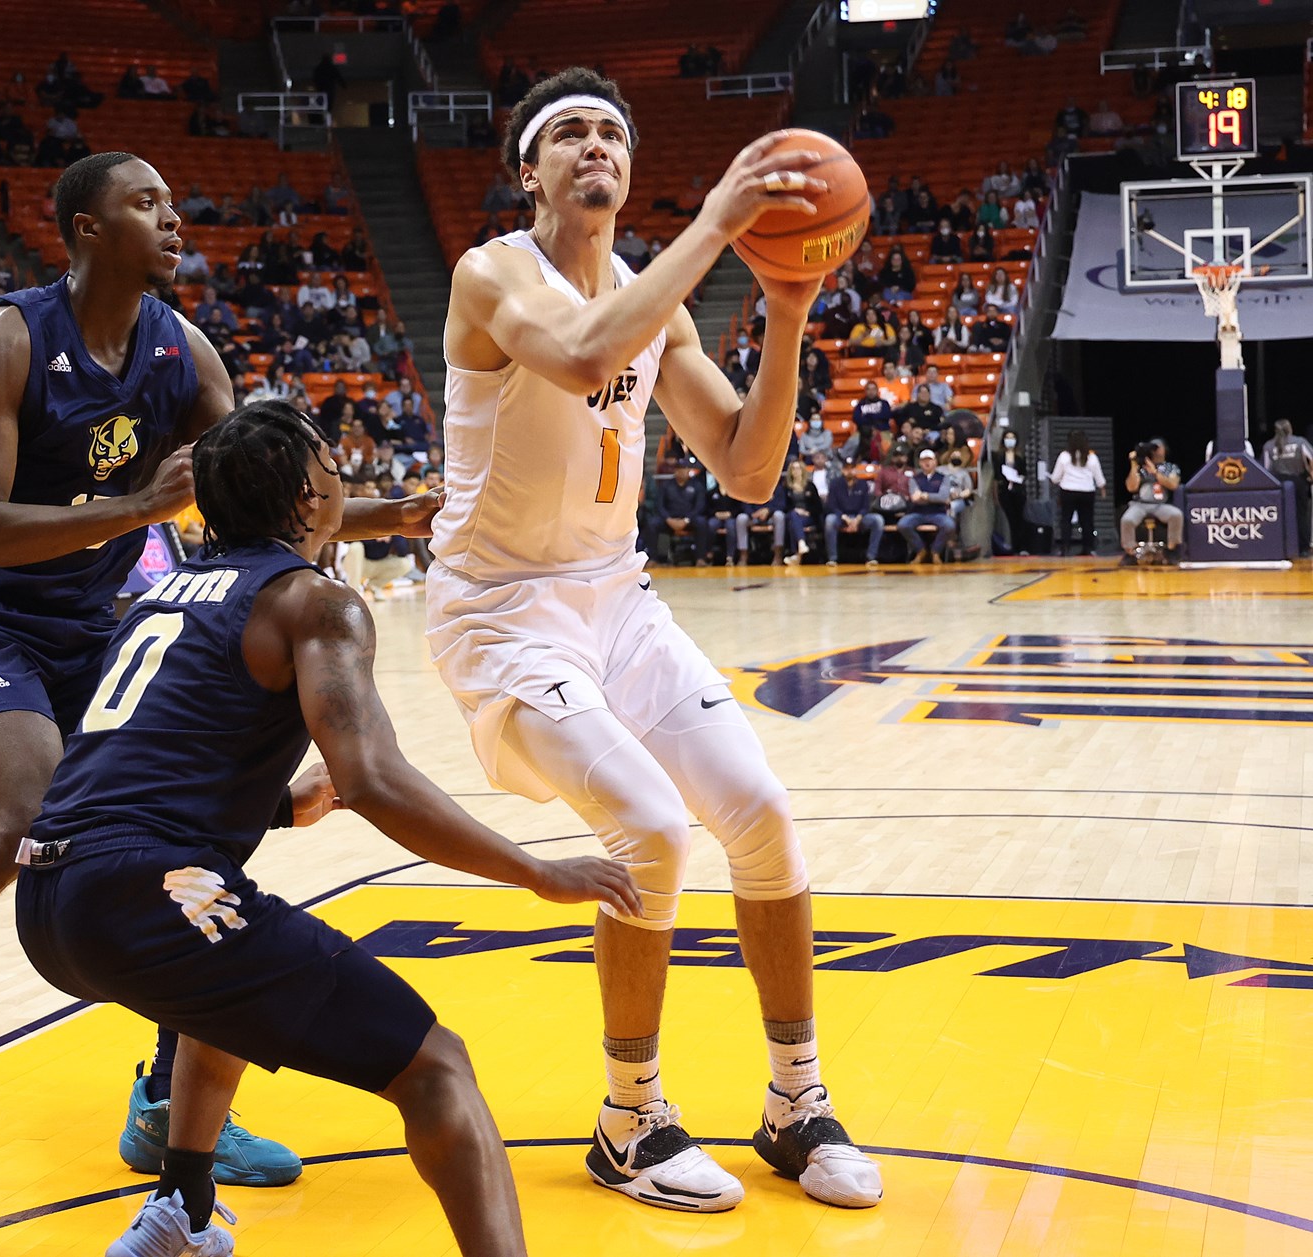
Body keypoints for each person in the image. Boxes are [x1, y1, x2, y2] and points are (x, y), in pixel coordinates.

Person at [0, 152, 438, 1194]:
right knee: (24, 814)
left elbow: (258, 500)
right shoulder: (8, 340)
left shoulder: (184, 353)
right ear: (85, 228)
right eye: (146, 203)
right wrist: (135, 508)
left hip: (97, 624)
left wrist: (396, 516)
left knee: (200, 815)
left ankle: (169, 1100)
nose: (174, 220)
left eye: (174, 201)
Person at [22, 401, 639, 1255]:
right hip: (144, 890)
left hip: (47, 892)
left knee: (229, 974)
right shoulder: (314, 602)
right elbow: (375, 780)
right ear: (309, 499)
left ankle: (183, 1208)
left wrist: (275, 803)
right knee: (437, 1066)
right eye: (335, 470)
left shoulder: (162, 593)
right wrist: (535, 870)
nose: (344, 482)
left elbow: (135, 763)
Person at [433, 69, 882, 1214]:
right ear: (529, 171)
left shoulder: (656, 303)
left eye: (613, 135)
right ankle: (630, 1120)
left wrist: (786, 309)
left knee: (761, 812)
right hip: (500, 611)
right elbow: (585, 354)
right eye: (570, 134)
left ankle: (796, 1103)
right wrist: (720, 222)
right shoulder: (492, 275)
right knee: (648, 825)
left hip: (617, 601)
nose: (596, 147)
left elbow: (747, 468)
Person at [1117, 439, 1181, 565]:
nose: (1156, 451)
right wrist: (1133, 464)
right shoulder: (1141, 468)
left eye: (1159, 447)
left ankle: (1171, 551)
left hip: (1160, 504)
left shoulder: (1171, 467)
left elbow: (1173, 485)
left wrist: (1155, 473)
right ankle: (1130, 553)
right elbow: (1131, 488)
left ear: (1165, 450)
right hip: (1140, 504)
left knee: (1176, 515)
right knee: (1127, 520)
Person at [1049, 428, 1104, 555]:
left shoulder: (1064, 456)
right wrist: (1102, 487)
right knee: (1087, 521)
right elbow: (1099, 477)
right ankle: (1088, 548)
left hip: (1068, 491)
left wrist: (1057, 480)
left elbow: (1055, 478)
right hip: (1087, 492)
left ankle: (1065, 548)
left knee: (1066, 520)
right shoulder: (1092, 457)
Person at [1262, 418, 1313, 552]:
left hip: (1278, 484)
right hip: (1298, 483)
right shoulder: (1300, 442)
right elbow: (1311, 459)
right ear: (1290, 428)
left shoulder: (1268, 446)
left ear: (1275, 430)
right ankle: (1303, 548)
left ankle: (1280, 547)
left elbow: (1265, 470)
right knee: (1301, 515)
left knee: (1279, 516)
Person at [897, 449, 956, 563]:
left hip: (938, 513)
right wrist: (934, 498)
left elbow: (943, 497)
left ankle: (935, 551)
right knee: (903, 524)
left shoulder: (944, 478)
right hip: (917, 512)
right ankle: (920, 550)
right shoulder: (914, 479)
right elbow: (915, 498)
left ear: (935, 462)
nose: (927, 463)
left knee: (949, 525)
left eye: (929, 460)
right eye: (924, 460)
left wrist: (925, 496)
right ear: (920, 463)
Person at [822, 457, 883, 566]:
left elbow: (866, 506)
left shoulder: (863, 484)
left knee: (878, 520)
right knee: (829, 520)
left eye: (852, 468)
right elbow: (832, 506)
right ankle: (832, 558)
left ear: (856, 469)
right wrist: (845, 518)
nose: (849, 471)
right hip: (841, 517)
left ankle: (871, 557)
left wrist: (857, 519)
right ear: (842, 470)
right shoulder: (835, 483)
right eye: (847, 468)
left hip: (859, 516)